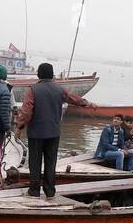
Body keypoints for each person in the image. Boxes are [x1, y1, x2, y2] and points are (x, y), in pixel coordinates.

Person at [15, 62, 96, 197]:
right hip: (53, 133)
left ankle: (34, 190)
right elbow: (73, 99)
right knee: (51, 162)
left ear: (38, 75)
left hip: (36, 133)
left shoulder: (33, 90)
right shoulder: (59, 89)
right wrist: (88, 103)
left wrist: (19, 127)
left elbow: (26, 112)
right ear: (52, 75)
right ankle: (50, 190)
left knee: (35, 163)